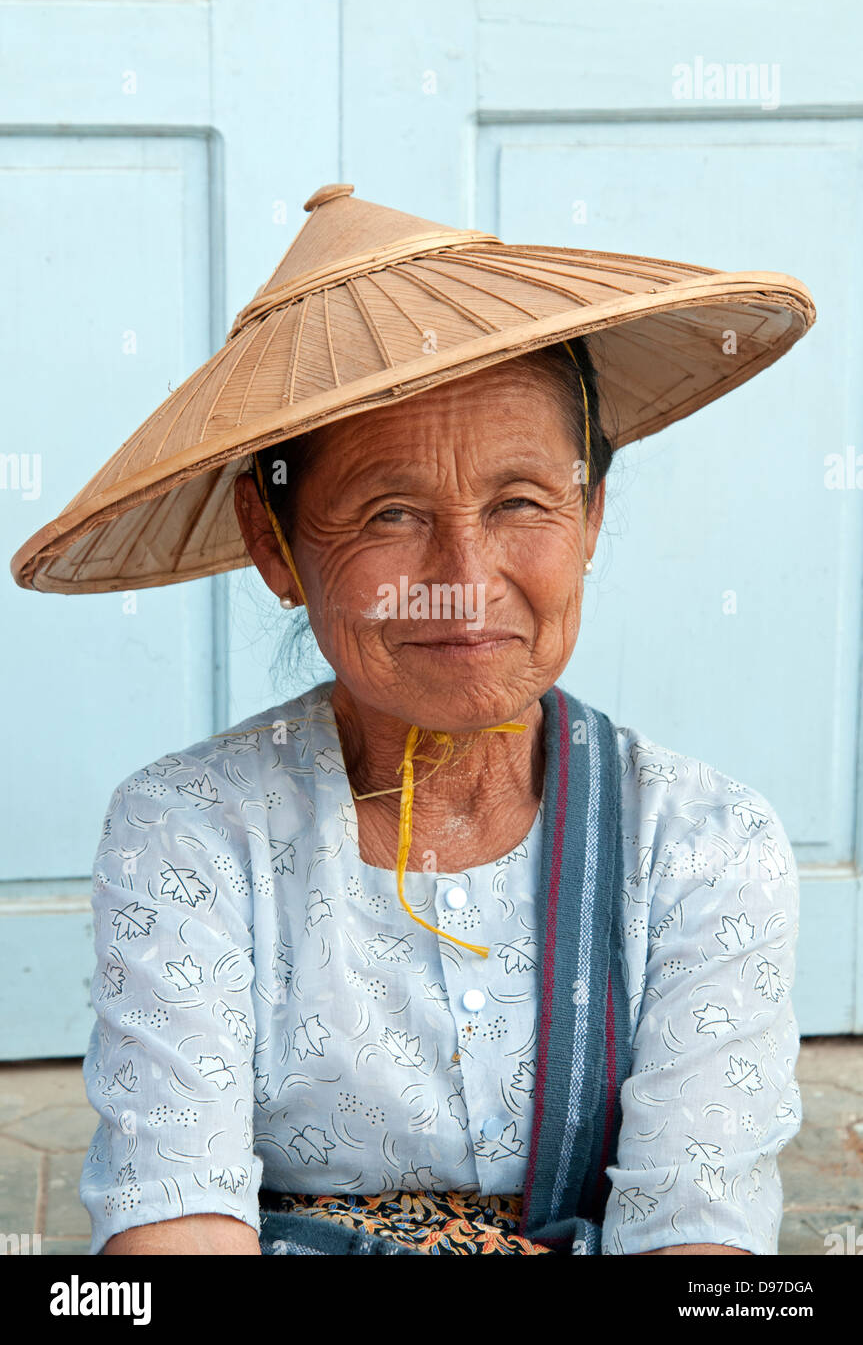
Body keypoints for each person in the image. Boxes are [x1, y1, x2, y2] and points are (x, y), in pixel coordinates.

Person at [11, 183, 814, 1255]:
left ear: (590, 517)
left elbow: (695, 1235)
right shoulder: (190, 831)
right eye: (389, 513)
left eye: (522, 500)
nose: (462, 579)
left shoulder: (704, 846)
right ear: (272, 541)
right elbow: (177, 1218)